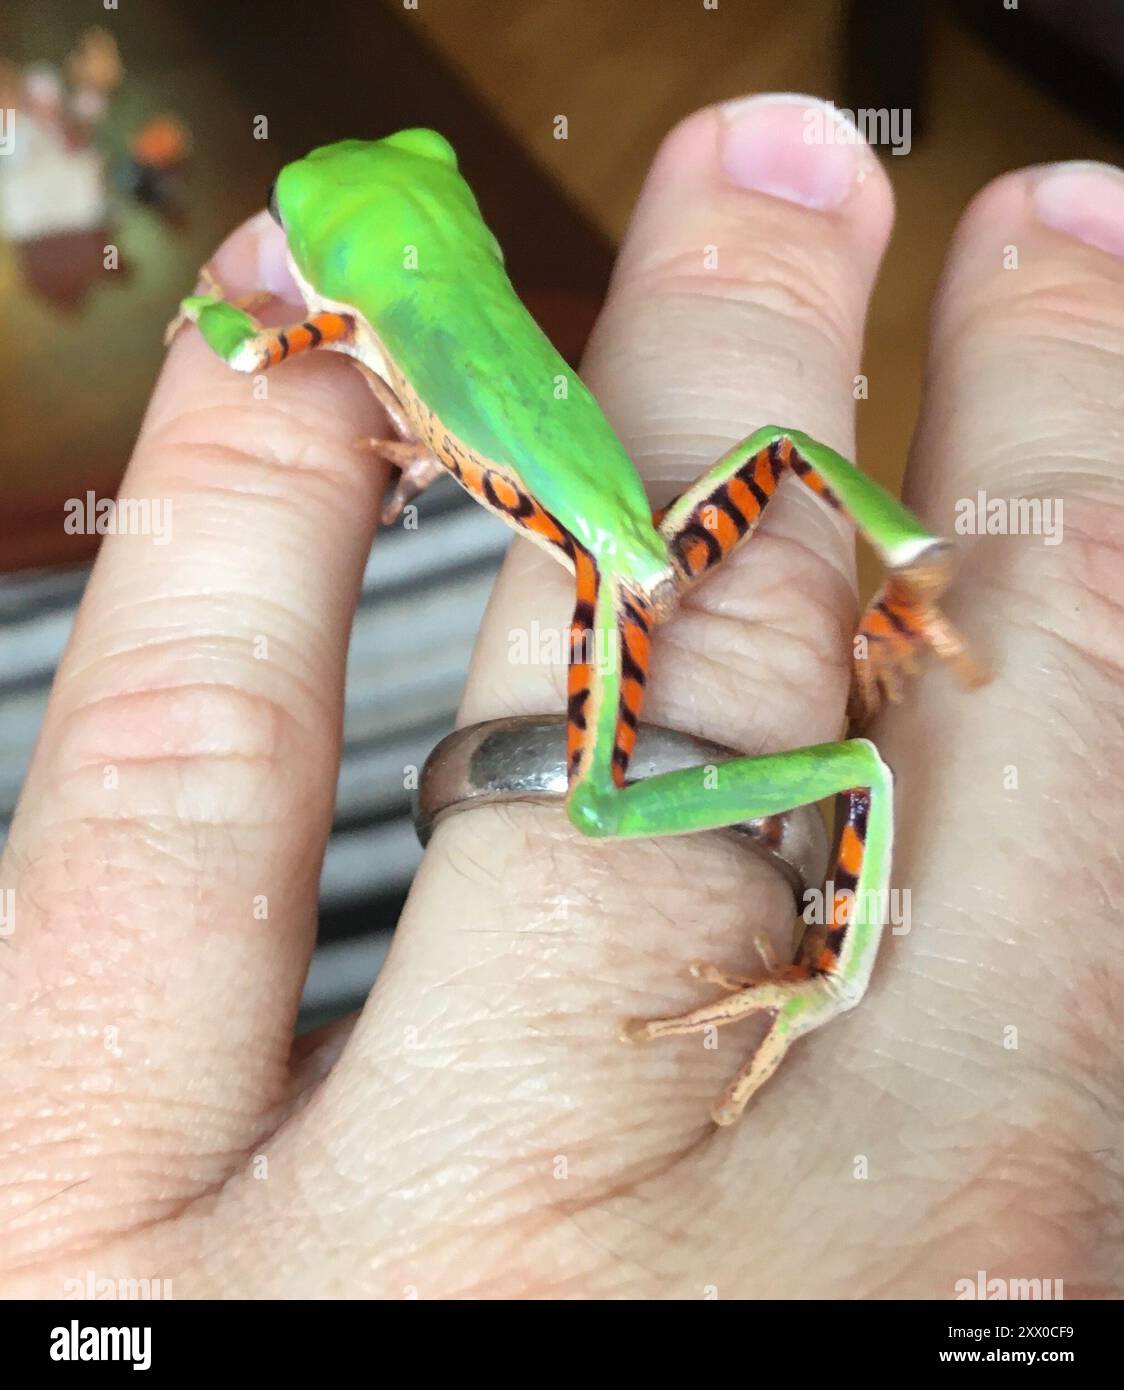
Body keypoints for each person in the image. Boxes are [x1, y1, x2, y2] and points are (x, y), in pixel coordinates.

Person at [2, 96, 1120, 1298]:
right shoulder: (412, 294)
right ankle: (907, 566)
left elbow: (239, 346)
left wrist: (212, 304)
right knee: (784, 445)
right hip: (648, 507)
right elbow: (462, 363)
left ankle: (838, 896)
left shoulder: (325, 316)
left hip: (605, 570)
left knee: (594, 810)